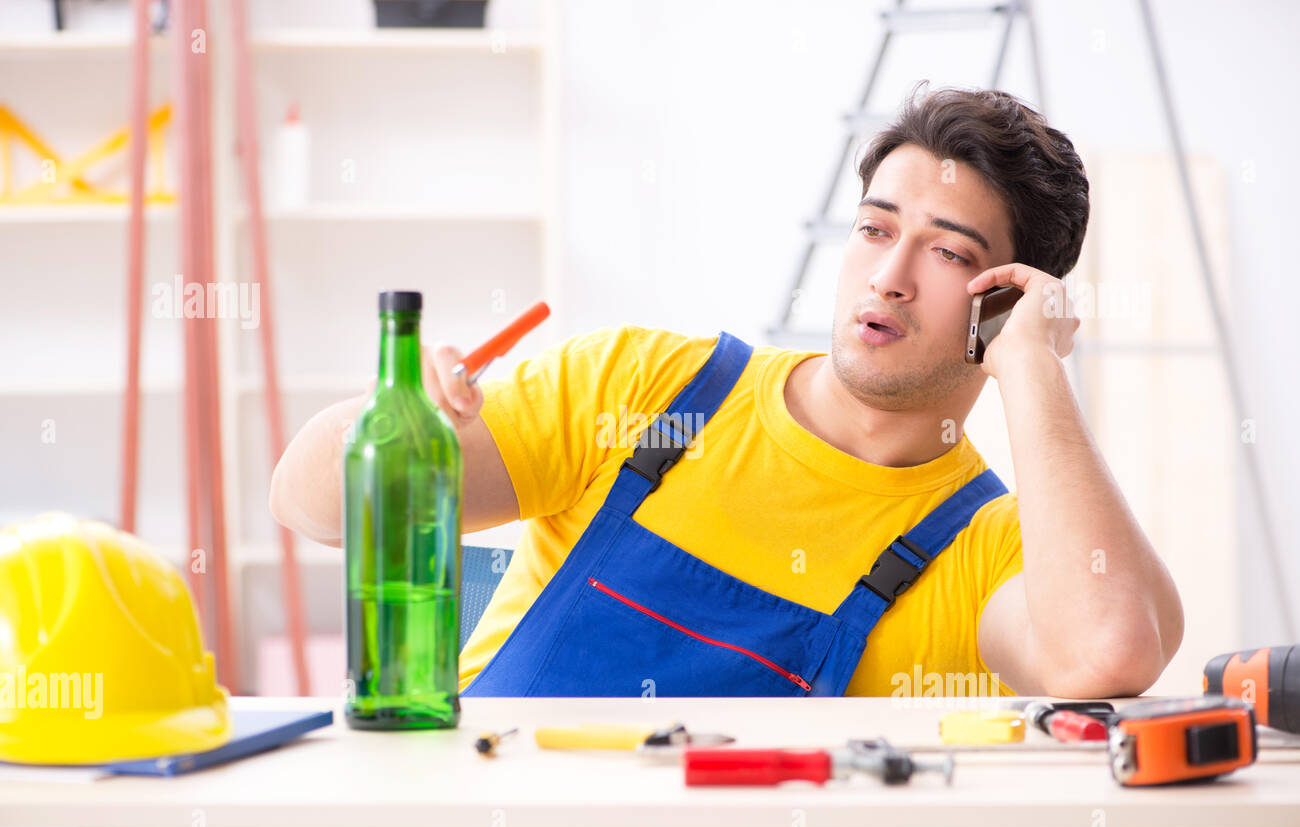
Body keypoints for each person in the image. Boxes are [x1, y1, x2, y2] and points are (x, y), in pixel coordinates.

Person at [271, 83, 1183, 699]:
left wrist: (1033, 364)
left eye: (948, 252)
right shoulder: (638, 388)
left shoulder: (989, 547)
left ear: (1012, 298)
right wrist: (395, 414)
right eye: (874, 229)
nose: (889, 276)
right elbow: (314, 504)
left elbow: (1105, 651)